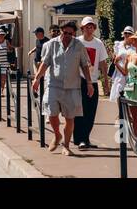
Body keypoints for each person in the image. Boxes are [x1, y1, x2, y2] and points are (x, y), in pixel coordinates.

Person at [31, 20, 94, 156]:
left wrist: (89, 83)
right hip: (54, 84)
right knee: (51, 111)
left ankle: (66, 145)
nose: (67, 35)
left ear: (74, 33)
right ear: (60, 31)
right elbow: (45, 63)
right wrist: (37, 78)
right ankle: (57, 134)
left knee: (70, 118)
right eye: (64, 32)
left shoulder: (79, 46)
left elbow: (84, 65)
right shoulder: (51, 44)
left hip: (72, 86)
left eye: (70, 33)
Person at [74, 16, 109, 149]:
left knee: (91, 111)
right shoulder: (77, 42)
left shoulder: (98, 43)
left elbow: (103, 63)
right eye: (86, 27)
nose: (89, 29)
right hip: (79, 80)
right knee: (79, 111)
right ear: (82, 29)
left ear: (94, 28)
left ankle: (86, 138)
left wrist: (105, 81)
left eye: (91, 27)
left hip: (93, 81)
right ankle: (79, 139)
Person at [108, 26, 135, 103]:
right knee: (119, 94)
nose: (127, 35)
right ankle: (121, 114)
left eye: (129, 33)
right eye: (125, 33)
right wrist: (114, 58)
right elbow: (114, 58)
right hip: (119, 73)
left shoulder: (134, 47)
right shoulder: (118, 45)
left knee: (129, 96)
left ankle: (128, 114)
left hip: (130, 74)